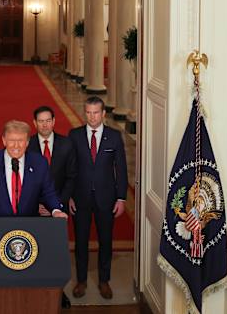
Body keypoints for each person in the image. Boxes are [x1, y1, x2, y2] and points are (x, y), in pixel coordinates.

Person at [68, 96, 128, 300]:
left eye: (96, 113)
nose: (92, 117)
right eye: (88, 112)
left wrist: (121, 198)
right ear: (85, 113)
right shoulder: (74, 135)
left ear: (103, 114)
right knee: (81, 241)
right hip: (80, 197)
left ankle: (104, 281)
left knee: (106, 240)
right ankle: (81, 281)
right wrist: (69, 196)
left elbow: (121, 169)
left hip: (106, 198)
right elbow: (70, 169)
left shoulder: (114, 136)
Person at [0, 120, 68, 229]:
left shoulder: (39, 163)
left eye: (20, 141)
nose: (16, 146)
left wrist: (56, 210)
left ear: (27, 142)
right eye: (12, 140)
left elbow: (49, 192)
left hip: (28, 228)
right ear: (4, 140)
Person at [29, 105, 77, 309]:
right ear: (34, 123)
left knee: (57, 251)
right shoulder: (27, 145)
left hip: (59, 208)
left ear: (54, 121)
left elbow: (71, 177)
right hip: (34, 208)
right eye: (41, 121)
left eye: (48, 121)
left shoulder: (66, 145)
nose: (45, 125)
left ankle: (58, 291)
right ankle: (35, 287)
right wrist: (38, 204)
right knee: (35, 248)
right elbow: (25, 180)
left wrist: (56, 205)